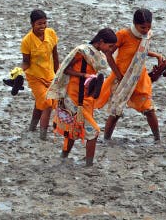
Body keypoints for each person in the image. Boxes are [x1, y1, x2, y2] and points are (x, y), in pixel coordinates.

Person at [46, 28, 117, 167]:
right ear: (101, 42)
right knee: (94, 132)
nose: (110, 50)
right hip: (73, 97)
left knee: (72, 131)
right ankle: (89, 165)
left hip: (86, 98)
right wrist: (83, 75)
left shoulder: (96, 55)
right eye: (109, 46)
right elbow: (65, 69)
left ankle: (63, 158)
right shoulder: (81, 52)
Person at [99, 9, 166, 142]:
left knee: (149, 109)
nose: (146, 30)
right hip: (122, 79)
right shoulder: (123, 35)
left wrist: (157, 55)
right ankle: (106, 139)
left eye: (149, 27)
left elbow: (141, 51)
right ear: (134, 24)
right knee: (116, 112)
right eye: (142, 27)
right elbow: (108, 54)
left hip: (139, 78)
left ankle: (157, 138)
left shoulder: (146, 36)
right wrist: (118, 76)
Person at [20, 9, 59, 139]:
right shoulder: (27, 41)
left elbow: (55, 54)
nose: (42, 26)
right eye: (39, 24)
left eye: (44, 23)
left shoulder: (51, 33)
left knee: (42, 102)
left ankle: (32, 127)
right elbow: (26, 62)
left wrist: (58, 73)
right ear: (32, 24)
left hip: (50, 74)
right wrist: (18, 74)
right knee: (47, 103)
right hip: (35, 76)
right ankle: (43, 135)